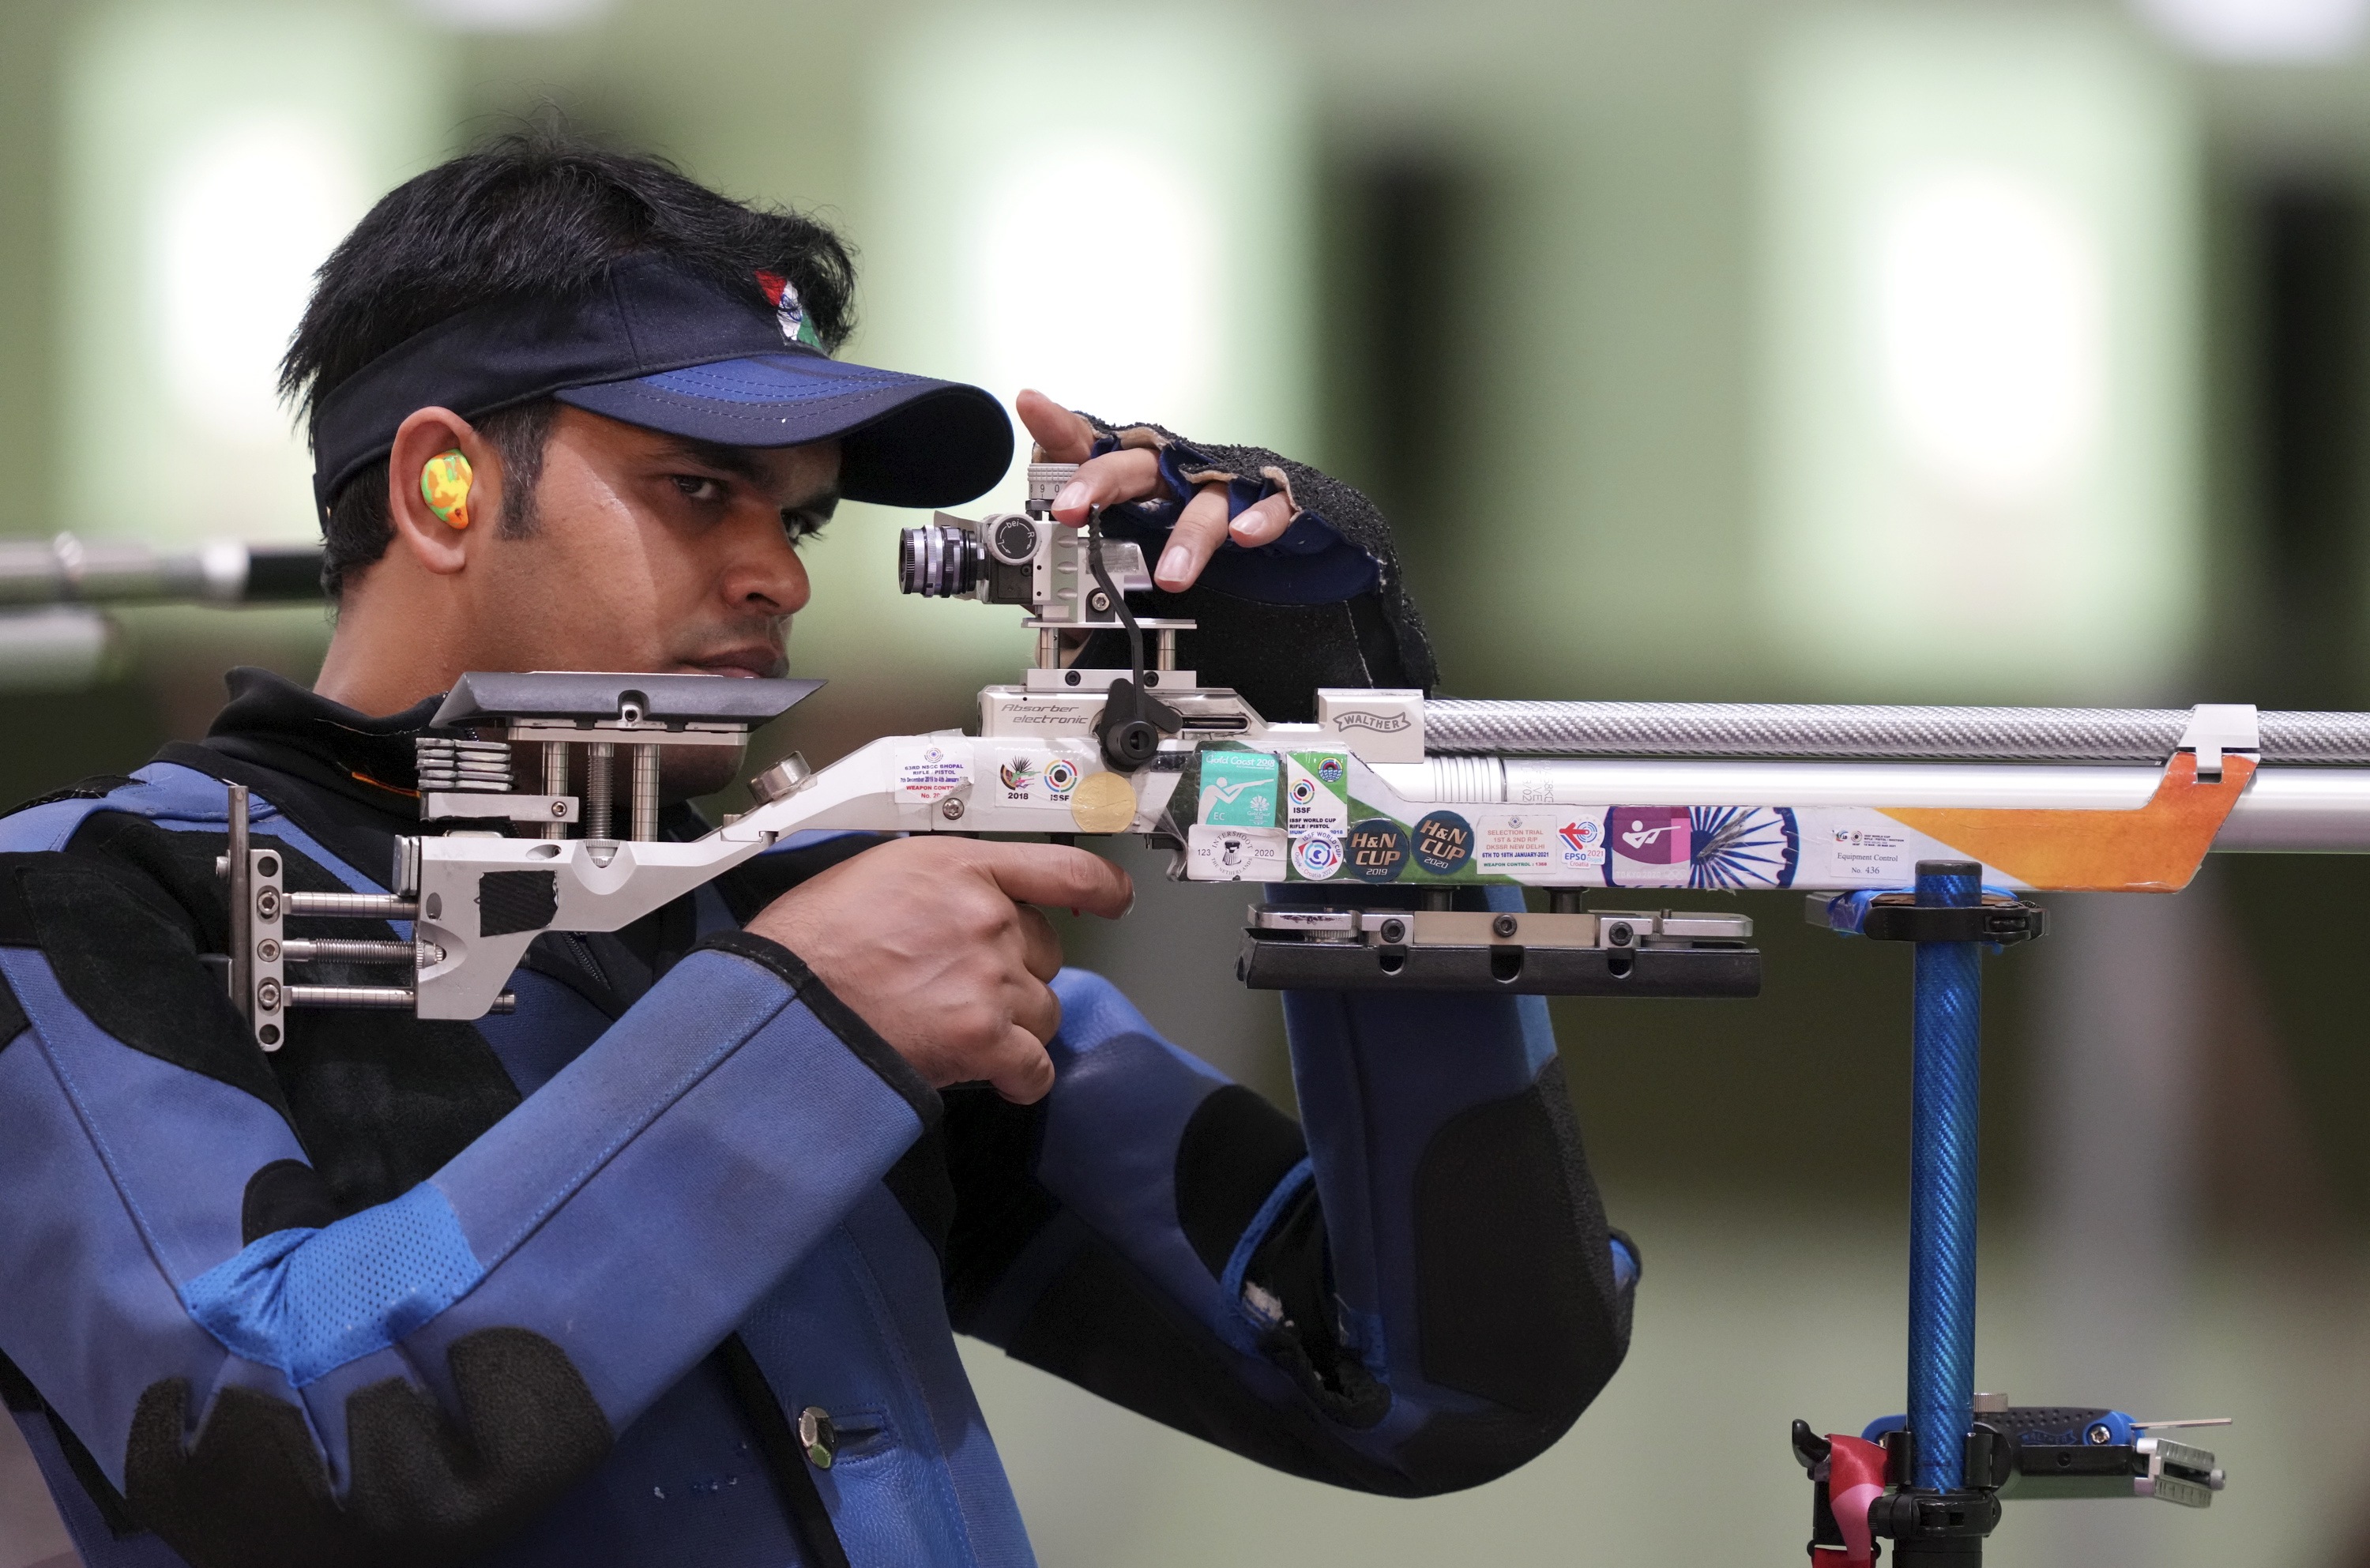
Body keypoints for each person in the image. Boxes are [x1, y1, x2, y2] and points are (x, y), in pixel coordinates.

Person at [0, 135, 1637, 1568]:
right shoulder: (87, 898)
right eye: (697, 489)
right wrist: (801, 1024)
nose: (778, 576)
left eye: (793, 517)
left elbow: (1444, 1385)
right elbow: (273, 1433)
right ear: (440, 486)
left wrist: (1364, 774)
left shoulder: (793, 909)